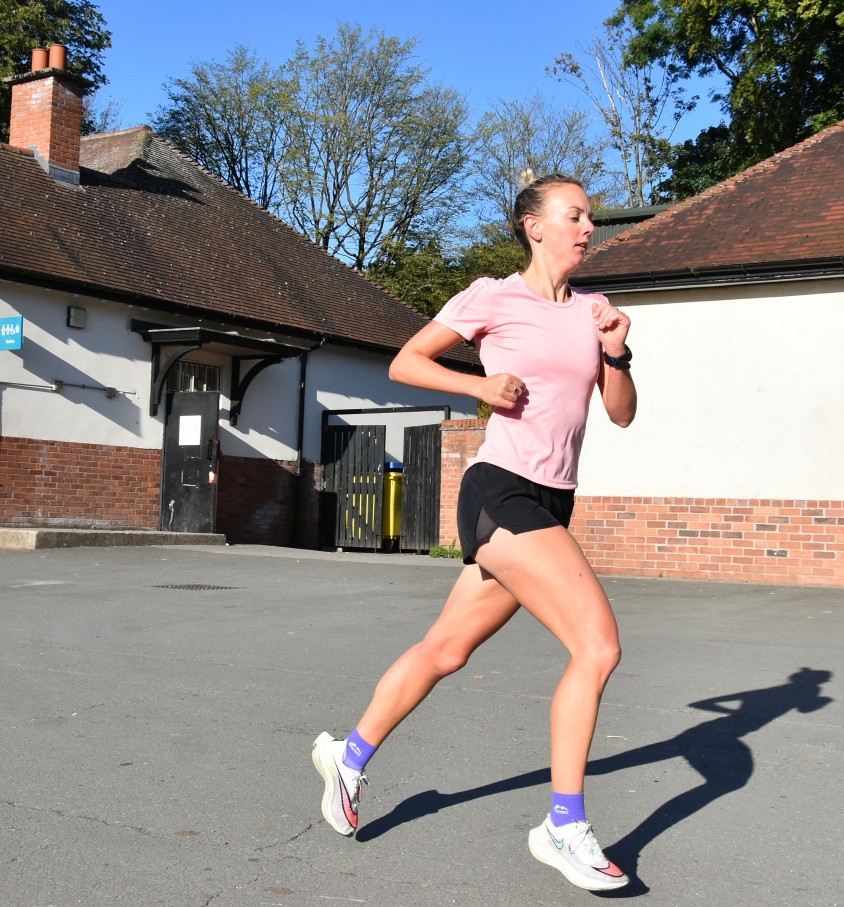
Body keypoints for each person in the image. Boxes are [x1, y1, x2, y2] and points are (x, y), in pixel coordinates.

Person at [311, 171, 637, 892]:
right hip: (500, 491)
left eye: (591, 218)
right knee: (597, 643)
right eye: (575, 215)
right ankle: (563, 822)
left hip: (553, 500)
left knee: (447, 648)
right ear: (535, 225)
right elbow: (406, 360)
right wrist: (479, 386)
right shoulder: (493, 296)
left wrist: (615, 350)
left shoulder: (595, 309)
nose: (589, 228)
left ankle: (350, 756)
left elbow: (620, 413)